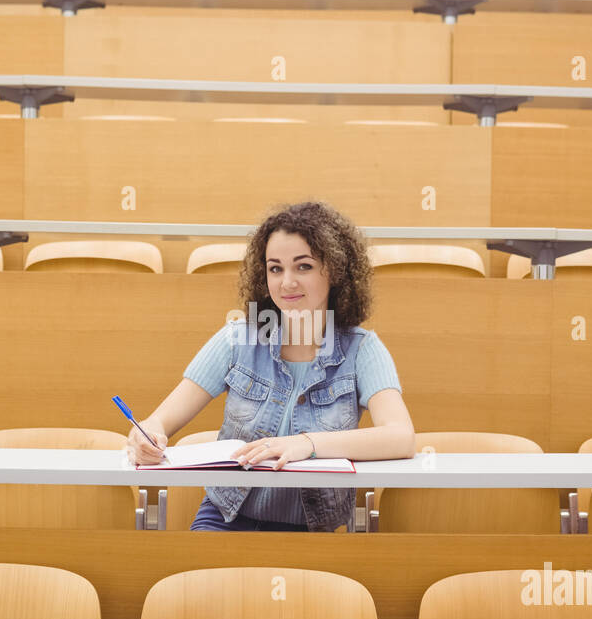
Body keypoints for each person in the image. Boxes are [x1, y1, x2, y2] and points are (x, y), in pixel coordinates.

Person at [125, 201, 415, 531]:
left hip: (311, 529)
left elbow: (400, 437)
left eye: (303, 267)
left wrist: (307, 444)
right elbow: (158, 421)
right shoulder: (237, 339)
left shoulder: (363, 349)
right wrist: (146, 436)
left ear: (333, 271)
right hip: (226, 518)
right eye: (275, 268)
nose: (286, 282)